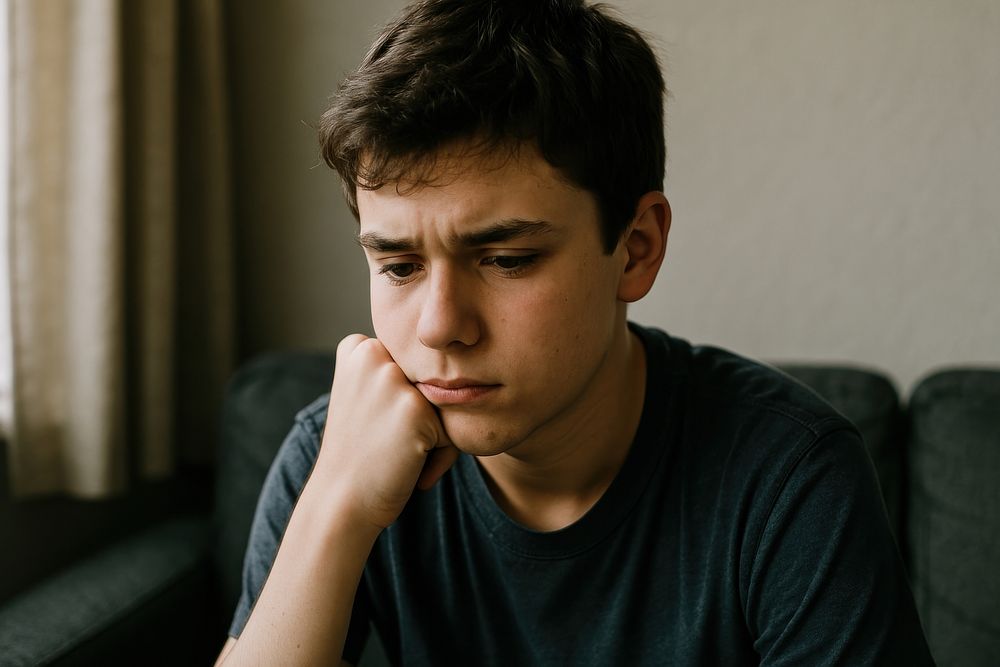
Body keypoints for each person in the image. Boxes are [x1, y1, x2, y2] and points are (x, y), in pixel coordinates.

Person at [216, 1, 934, 665]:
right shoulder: (335, 453)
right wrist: (337, 505)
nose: (439, 325)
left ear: (637, 247)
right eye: (398, 265)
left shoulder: (790, 478)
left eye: (506, 259)